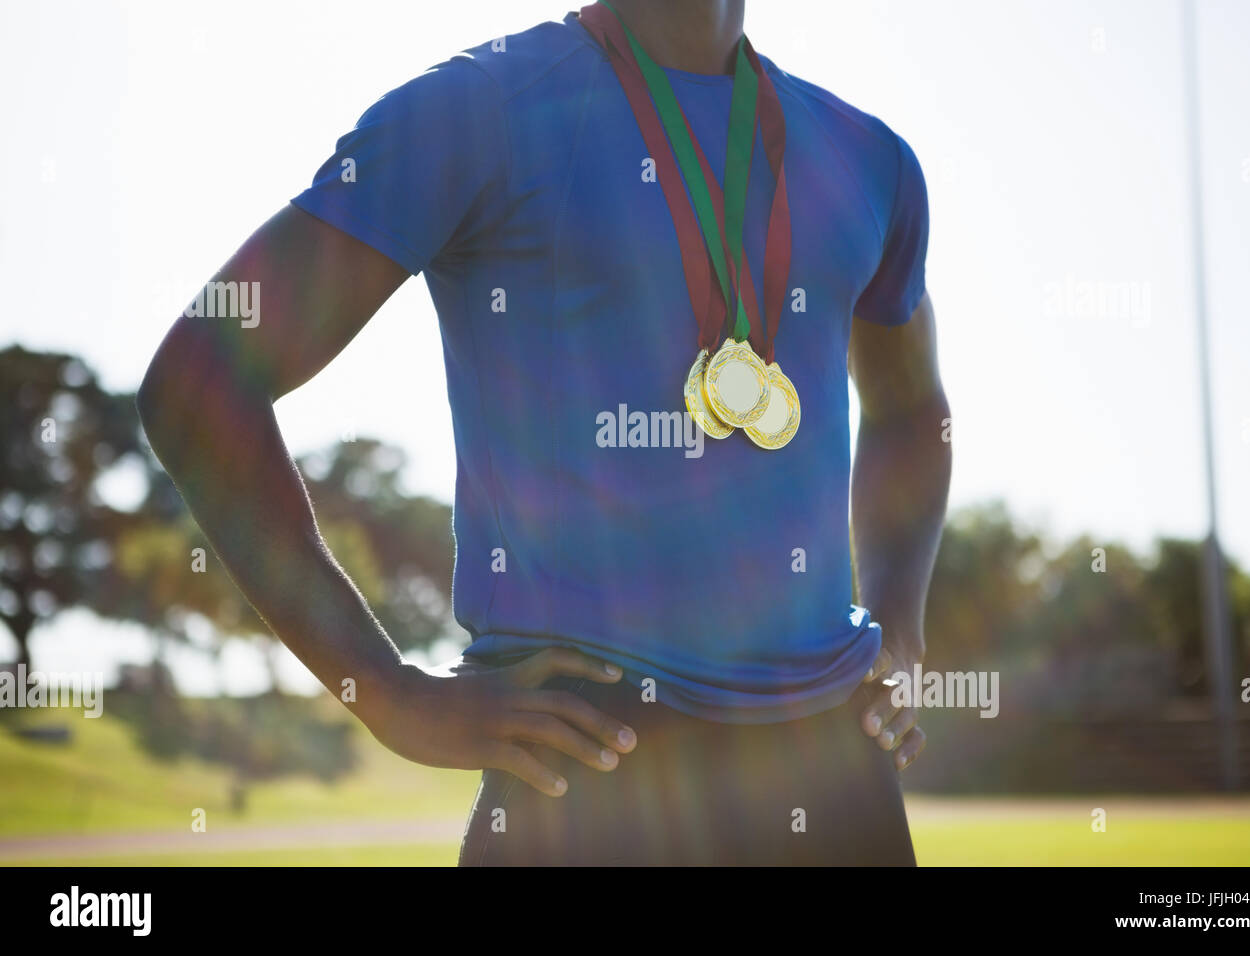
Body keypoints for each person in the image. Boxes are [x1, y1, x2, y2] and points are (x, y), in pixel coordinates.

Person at [137, 0, 951, 865]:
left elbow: (910, 412)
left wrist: (899, 631)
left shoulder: (871, 160)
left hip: (833, 770)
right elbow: (199, 383)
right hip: (586, 764)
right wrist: (384, 691)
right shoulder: (477, 107)